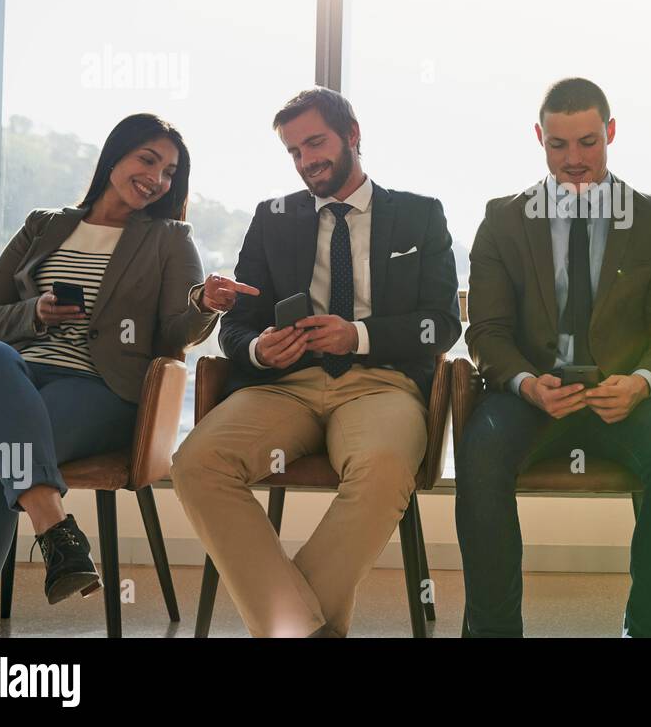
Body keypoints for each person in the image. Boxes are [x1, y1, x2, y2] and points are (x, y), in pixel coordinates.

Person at [171, 87, 460, 638]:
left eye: (315, 143)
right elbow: (237, 325)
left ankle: (287, 626)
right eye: (294, 152)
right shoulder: (272, 217)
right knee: (195, 464)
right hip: (283, 387)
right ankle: (303, 627)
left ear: (353, 134)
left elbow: (442, 323)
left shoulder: (420, 215)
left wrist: (358, 336)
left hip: (381, 386)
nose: (306, 161)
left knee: (383, 469)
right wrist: (259, 348)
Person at [0, 114, 237, 638]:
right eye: (148, 159)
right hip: (7, 379)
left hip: (98, 391)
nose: (157, 178)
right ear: (114, 157)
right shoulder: (43, 224)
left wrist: (205, 305)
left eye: (169, 172)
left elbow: (175, 333)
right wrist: (36, 314)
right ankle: (54, 525)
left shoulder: (169, 239)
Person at [456, 77, 651, 637]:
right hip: (530, 396)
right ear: (539, 138)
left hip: (626, 398)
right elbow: (486, 332)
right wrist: (525, 383)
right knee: (480, 456)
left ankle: (646, 631)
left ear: (610, 133)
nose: (574, 160)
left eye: (588, 142)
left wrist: (640, 383)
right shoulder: (502, 220)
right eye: (558, 145)